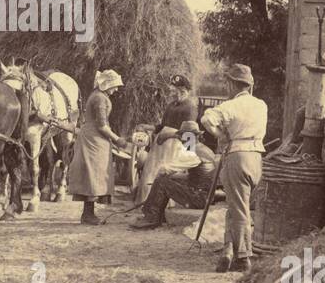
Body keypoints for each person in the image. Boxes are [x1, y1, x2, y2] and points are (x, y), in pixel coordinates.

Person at [199, 64, 267, 273]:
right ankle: (228, 252)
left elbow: (206, 118)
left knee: (239, 209)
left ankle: (244, 256)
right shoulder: (261, 105)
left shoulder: (231, 105)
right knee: (237, 206)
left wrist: (220, 135)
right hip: (256, 158)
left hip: (237, 155)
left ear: (231, 84)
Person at [66, 69, 132, 226]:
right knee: (93, 174)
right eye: (115, 86)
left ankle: (88, 213)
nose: (116, 89)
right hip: (94, 139)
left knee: (94, 174)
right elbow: (102, 126)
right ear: (107, 84)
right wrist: (118, 140)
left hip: (95, 138)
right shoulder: (99, 99)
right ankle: (87, 215)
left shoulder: (98, 95)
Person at [130, 121, 218, 229]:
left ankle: (151, 217)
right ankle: (157, 215)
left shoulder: (192, 152)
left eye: (183, 137)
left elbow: (165, 169)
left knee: (162, 181)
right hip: (206, 197)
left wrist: (160, 179)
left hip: (199, 199)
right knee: (167, 180)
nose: (181, 140)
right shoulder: (204, 149)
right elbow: (197, 177)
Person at [135, 74, 198, 203]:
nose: (173, 94)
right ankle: (146, 201)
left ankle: (162, 204)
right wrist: (148, 127)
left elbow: (190, 132)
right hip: (160, 145)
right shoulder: (171, 106)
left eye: (176, 91)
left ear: (184, 91)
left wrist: (189, 153)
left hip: (175, 146)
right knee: (151, 171)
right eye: (173, 91)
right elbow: (162, 126)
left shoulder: (190, 107)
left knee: (166, 173)